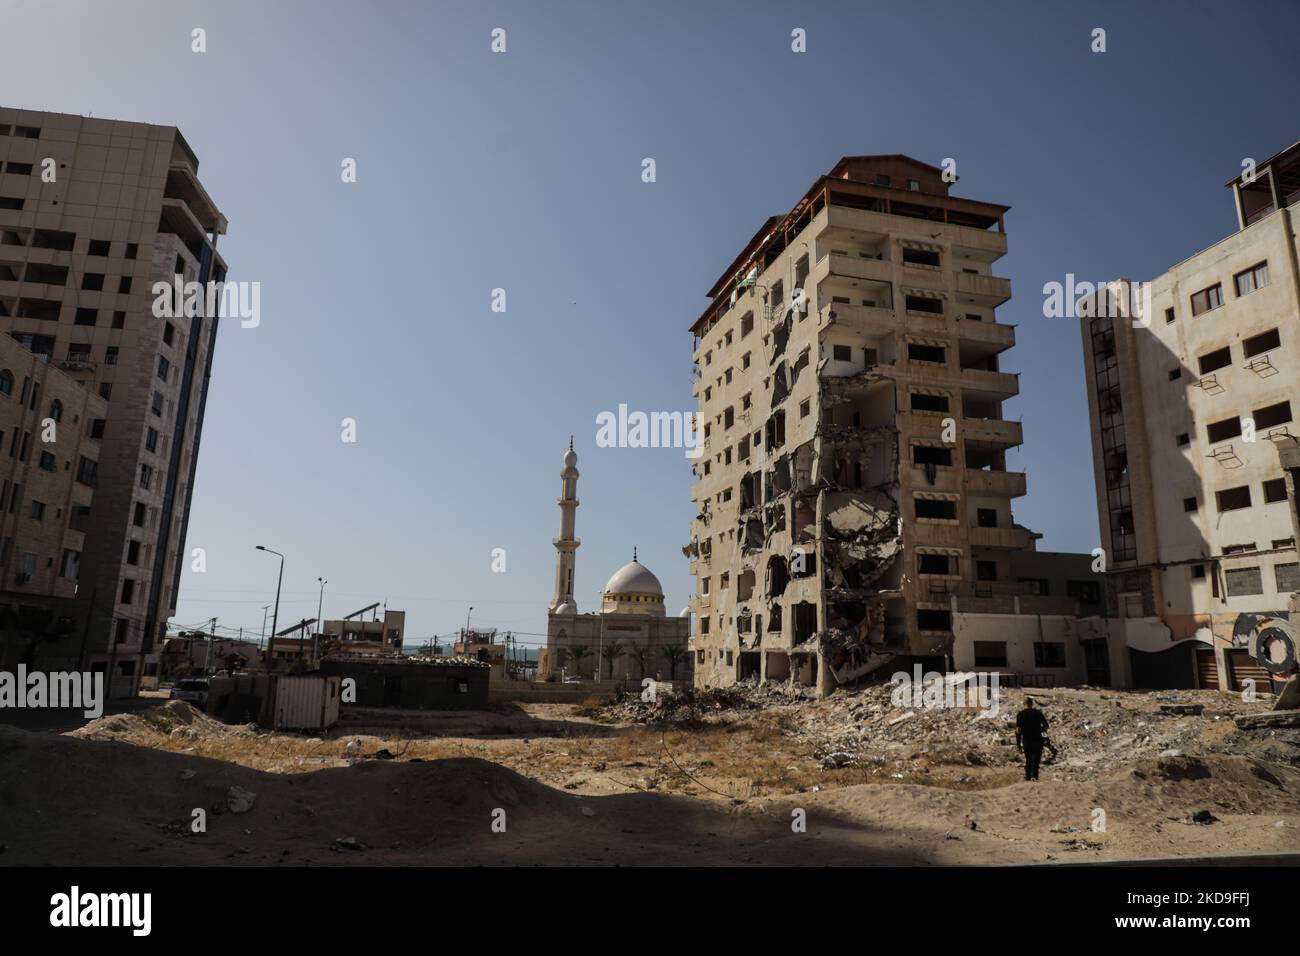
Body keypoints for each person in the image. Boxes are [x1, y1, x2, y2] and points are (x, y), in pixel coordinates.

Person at [1015, 696, 1049, 781]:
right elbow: (1046, 726)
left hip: (1026, 741)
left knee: (1028, 760)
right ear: (1031, 704)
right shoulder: (1038, 713)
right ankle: (1034, 777)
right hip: (1037, 740)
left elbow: (1018, 731)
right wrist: (1039, 730)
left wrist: (1018, 745)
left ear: (1024, 704)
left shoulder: (1020, 714)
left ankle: (1027, 778)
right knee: (1035, 760)